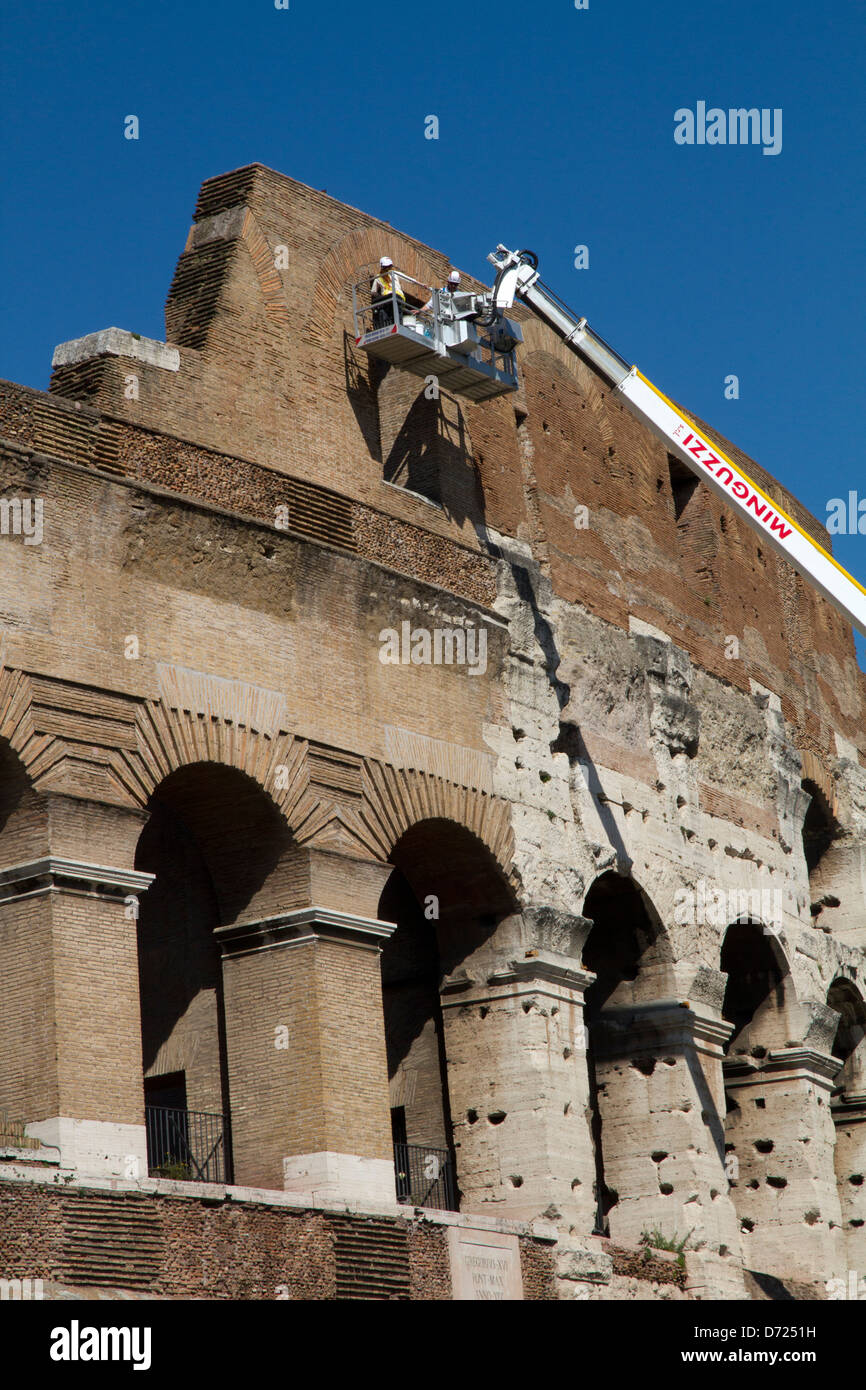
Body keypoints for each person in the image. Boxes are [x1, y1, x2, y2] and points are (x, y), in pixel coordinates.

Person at [371, 256, 406, 328]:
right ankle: (394, 325)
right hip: (390, 299)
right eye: (387, 266)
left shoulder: (393, 273)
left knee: (394, 312)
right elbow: (373, 291)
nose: (388, 268)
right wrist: (380, 297)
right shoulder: (379, 277)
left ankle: (396, 325)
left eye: (389, 266)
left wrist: (419, 283)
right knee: (391, 313)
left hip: (395, 298)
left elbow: (407, 278)